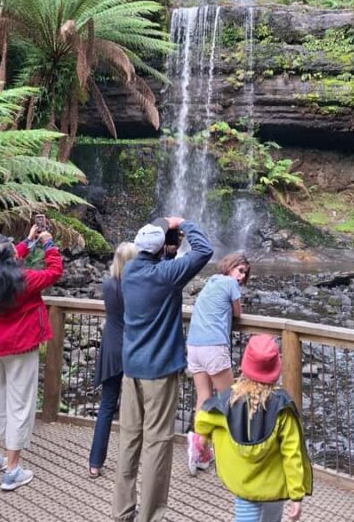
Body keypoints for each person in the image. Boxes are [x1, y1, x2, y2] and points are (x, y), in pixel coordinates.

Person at [112, 216, 213, 522]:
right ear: (160, 251)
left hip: (132, 371)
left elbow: (154, 260)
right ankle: (150, 516)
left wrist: (164, 235)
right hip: (159, 372)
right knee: (157, 443)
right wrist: (185, 223)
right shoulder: (167, 275)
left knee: (129, 440)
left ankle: (122, 512)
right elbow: (204, 250)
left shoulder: (129, 271)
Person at [0, 225, 63, 491]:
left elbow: (5, 263)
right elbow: (55, 272)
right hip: (21, 346)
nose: (16, 249)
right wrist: (48, 244)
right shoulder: (24, 279)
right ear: (8, 256)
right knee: (19, 406)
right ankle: (12, 469)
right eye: (12, 247)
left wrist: (28, 242)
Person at [195, 334, 312, 522]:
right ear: (276, 368)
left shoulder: (227, 402)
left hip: (243, 482)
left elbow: (202, 421)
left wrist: (203, 440)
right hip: (274, 486)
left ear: (245, 365)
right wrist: (296, 495)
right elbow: (292, 454)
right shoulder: (282, 408)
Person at [186, 253, 250, 475]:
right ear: (230, 267)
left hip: (194, 345)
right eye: (240, 270)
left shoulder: (211, 281)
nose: (241, 277)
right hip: (214, 346)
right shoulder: (230, 283)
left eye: (245, 273)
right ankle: (233, 453)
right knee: (230, 400)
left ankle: (199, 447)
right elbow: (238, 313)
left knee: (203, 397)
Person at [88, 241, 137, 477]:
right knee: (134, 409)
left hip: (110, 346)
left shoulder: (107, 285)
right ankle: (129, 465)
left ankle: (95, 463)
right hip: (132, 348)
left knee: (106, 406)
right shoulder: (137, 287)